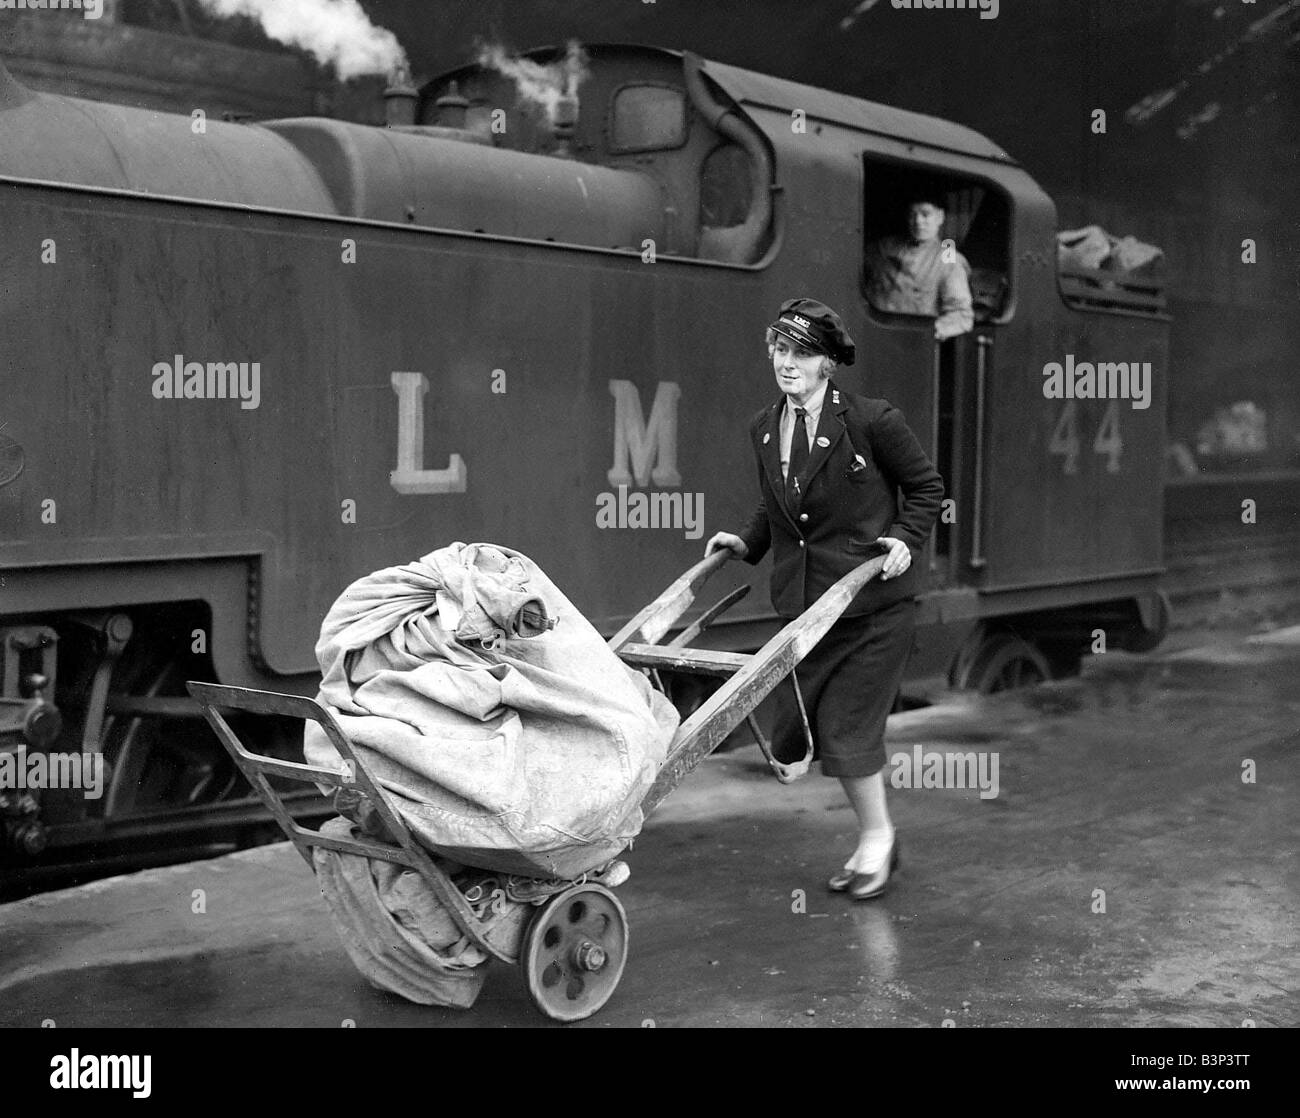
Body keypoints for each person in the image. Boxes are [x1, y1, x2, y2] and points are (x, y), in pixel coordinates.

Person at [705, 298, 943, 901]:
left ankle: (878, 839)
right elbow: (778, 503)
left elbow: (926, 488)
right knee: (800, 730)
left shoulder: (872, 421)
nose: (787, 363)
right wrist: (747, 541)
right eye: (780, 350)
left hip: (873, 607)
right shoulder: (765, 427)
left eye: (803, 354)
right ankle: (875, 838)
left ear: (828, 364)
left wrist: (905, 539)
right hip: (811, 611)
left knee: (844, 729)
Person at [865, 197, 974, 340]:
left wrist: (929, 334)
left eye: (925, 214)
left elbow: (961, 315)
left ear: (940, 217)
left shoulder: (949, 259)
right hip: (870, 333)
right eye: (912, 215)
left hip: (909, 340)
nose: (918, 221)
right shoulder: (885, 247)